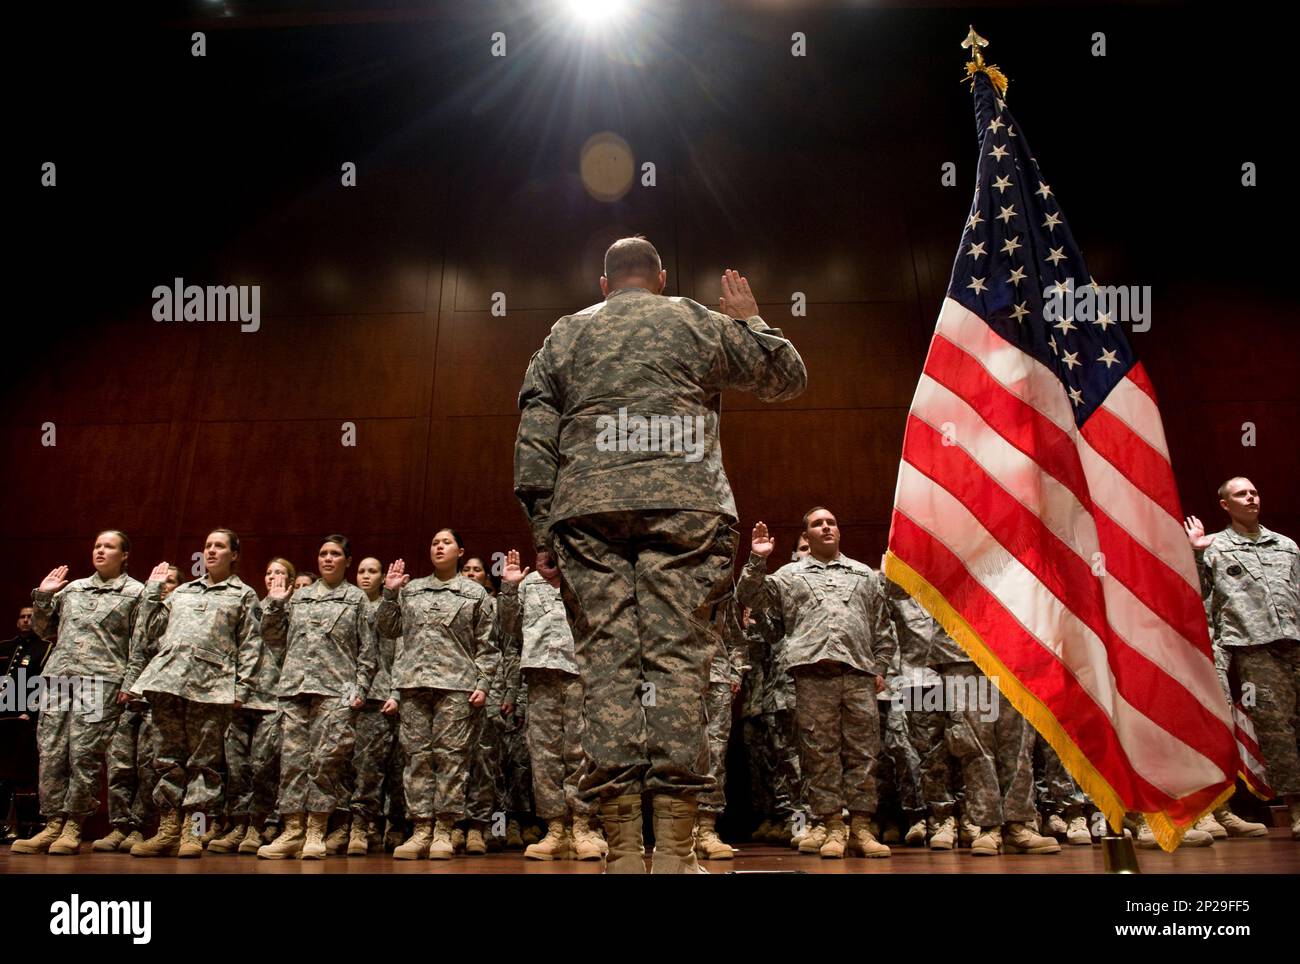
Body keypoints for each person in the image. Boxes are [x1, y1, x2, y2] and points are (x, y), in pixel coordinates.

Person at [514, 237, 806, 873]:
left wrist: (543, 529)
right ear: (661, 276)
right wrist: (749, 318)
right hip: (686, 508)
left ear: (604, 283)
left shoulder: (564, 335)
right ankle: (674, 852)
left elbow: (534, 433)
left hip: (588, 514)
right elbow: (786, 378)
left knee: (607, 667)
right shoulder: (695, 319)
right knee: (675, 664)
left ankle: (621, 852)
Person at [736, 509, 897, 859]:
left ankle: (861, 829)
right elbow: (748, 599)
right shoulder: (788, 576)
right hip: (811, 675)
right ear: (805, 537)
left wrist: (880, 667)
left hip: (857, 674)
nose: (826, 526)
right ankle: (832, 827)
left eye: (832, 522)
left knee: (864, 754)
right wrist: (756, 559)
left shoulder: (864, 575)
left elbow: (883, 628)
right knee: (817, 755)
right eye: (817, 524)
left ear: (838, 531)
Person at [125, 529, 261, 858]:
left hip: (211, 688)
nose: (211, 551)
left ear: (234, 555)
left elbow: (252, 644)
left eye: (219, 546)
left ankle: (194, 832)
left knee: (206, 765)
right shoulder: (182, 591)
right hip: (168, 682)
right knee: (166, 759)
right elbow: (149, 632)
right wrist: (153, 593)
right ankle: (169, 829)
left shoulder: (243, 595)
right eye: (207, 546)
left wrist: (242, 687)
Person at [11, 531, 145, 856]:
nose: (100, 551)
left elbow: (140, 644)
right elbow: (43, 629)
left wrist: (130, 684)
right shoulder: (74, 588)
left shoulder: (135, 592)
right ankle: (52, 824)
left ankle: (73, 825)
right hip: (59, 679)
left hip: (99, 683)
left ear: (124, 555)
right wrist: (43, 596)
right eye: (97, 546)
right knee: (51, 752)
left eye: (108, 547)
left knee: (83, 755)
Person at [1187, 476, 1300, 840]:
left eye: (1254, 492)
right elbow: (1198, 600)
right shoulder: (1215, 548)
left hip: (1295, 641)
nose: (1251, 498)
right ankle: (1297, 809)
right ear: (1225, 505)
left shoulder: (1286, 546)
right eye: (1241, 494)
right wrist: (1197, 552)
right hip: (1255, 647)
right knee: (1277, 731)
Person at [377, 528, 498, 859]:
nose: (438, 547)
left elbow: (488, 647)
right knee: (417, 759)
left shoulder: (475, 594)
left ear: (460, 551)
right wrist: (389, 594)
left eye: (445, 543)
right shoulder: (411, 590)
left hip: (456, 686)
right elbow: (388, 630)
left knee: (451, 759)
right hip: (414, 685)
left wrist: (483, 683)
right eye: (433, 543)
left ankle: (444, 829)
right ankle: (420, 829)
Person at [257, 535, 377, 859]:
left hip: (335, 690)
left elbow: (368, 652)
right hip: (295, 688)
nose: (327, 559)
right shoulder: (300, 597)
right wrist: (275, 604)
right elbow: (273, 638)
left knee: (325, 762)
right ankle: (292, 830)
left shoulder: (356, 599)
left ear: (347, 561)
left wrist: (360, 688)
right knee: (292, 763)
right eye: (323, 553)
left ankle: (316, 830)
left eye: (335, 554)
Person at [499, 547, 604, 860]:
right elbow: (507, 630)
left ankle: (583, 827)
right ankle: (556, 828)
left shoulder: (588, 576)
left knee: (580, 751)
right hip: (540, 673)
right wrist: (509, 587)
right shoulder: (528, 583)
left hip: (581, 673)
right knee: (544, 754)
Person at [208, 558, 295, 855]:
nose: (274, 577)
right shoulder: (249, 603)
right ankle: (239, 825)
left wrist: (279, 605)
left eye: (281, 573)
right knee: (236, 767)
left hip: (272, 699)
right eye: (269, 572)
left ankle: (261, 825)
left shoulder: (294, 609)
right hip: (240, 697)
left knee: (263, 768)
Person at [94, 565, 181, 853]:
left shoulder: (180, 612)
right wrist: (127, 685)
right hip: (130, 694)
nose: (164, 585)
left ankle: (141, 827)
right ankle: (120, 825)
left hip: (157, 699)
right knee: (119, 764)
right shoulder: (142, 611)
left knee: (148, 767)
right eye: (159, 581)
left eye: (170, 581)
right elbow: (134, 650)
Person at [345, 556, 400, 855]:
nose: (366, 576)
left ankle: (369, 826)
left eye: (372, 571)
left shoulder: (389, 609)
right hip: (346, 695)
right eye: (362, 571)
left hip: (379, 695)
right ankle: (347, 824)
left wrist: (396, 692)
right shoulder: (348, 605)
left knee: (374, 766)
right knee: (344, 765)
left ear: (382, 577)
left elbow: (399, 654)